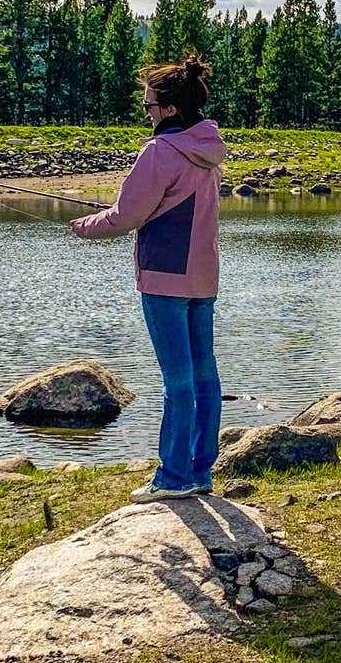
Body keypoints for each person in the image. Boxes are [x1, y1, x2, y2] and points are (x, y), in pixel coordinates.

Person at [70, 52, 227, 503]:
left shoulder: (159, 153)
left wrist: (86, 226)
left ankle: (173, 477)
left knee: (176, 381)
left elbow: (126, 217)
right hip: (203, 277)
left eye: (149, 106)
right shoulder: (209, 150)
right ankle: (199, 471)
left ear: (170, 110)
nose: (147, 111)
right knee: (204, 377)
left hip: (163, 280)